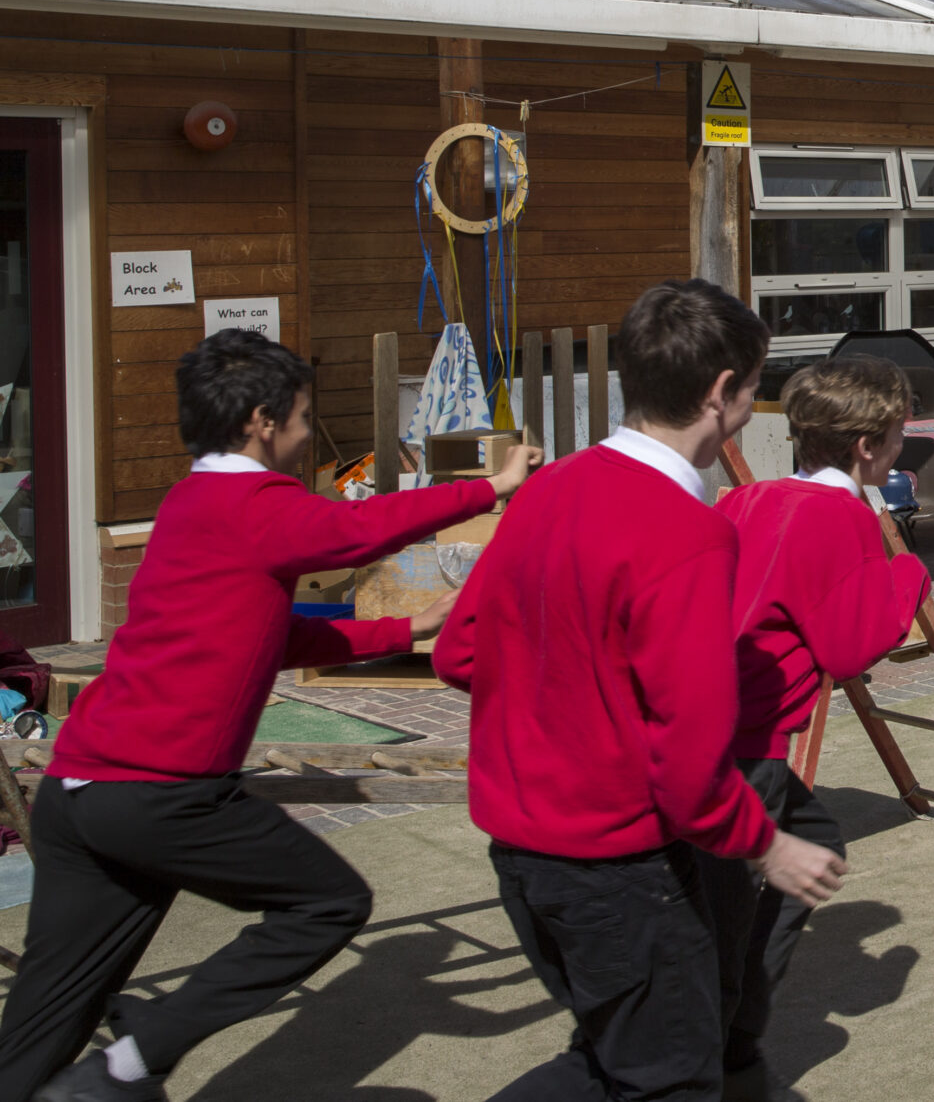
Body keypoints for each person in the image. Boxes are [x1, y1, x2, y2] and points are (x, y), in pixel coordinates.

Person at [0, 328, 540, 1102]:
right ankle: (135, 1056)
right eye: (300, 416)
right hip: (163, 792)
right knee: (329, 902)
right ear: (262, 420)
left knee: (46, 1014)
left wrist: (404, 630)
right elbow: (359, 530)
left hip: (80, 793)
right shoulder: (254, 503)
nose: (301, 432)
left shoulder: (190, 502)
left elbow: (268, 637)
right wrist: (492, 486)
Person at [434, 280, 846, 1102]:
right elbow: (692, 761)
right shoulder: (687, 534)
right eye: (753, 386)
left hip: (521, 850)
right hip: (615, 863)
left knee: (613, 1058)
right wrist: (770, 844)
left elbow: (459, 651)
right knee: (669, 1077)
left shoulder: (548, 488)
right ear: (722, 393)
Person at [706, 359, 931, 1102]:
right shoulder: (844, 516)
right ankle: (725, 1035)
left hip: (708, 720)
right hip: (754, 740)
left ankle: (728, 1025)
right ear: (869, 447)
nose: (903, 445)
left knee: (818, 843)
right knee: (734, 908)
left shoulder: (750, 497)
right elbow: (850, 647)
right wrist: (909, 576)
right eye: (899, 435)